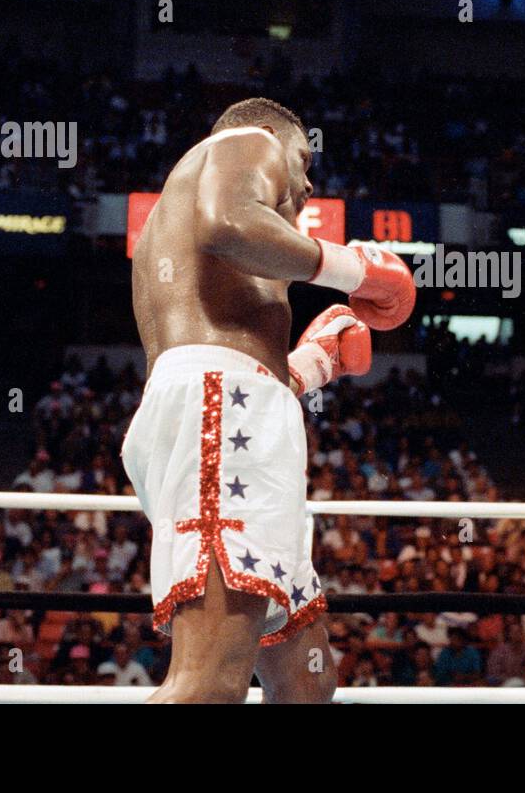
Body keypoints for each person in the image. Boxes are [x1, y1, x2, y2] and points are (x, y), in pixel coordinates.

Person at [123, 97, 416, 703]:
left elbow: (232, 346)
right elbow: (228, 224)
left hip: (230, 410)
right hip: (221, 408)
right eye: (304, 159)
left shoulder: (182, 231)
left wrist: (313, 364)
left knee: (306, 683)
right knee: (208, 683)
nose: (307, 182)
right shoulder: (246, 139)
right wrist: (353, 268)